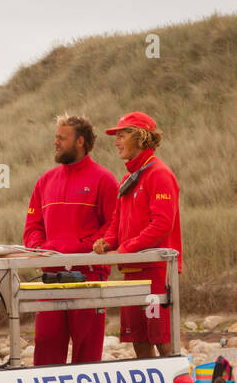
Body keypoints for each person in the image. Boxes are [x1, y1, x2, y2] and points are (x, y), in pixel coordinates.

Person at [23, 113, 119, 364]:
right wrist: (40, 248)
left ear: (81, 142)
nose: (55, 143)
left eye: (62, 139)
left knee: (86, 354)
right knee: (45, 349)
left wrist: (84, 247)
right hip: (51, 278)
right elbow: (32, 226)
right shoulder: (45, 181)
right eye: (56, 138)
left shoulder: (104, 179)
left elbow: (114, 224)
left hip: (88, 277)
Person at [92, 112, 183, 358]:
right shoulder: (130, 177)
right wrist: (108, 242)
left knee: (164, 342)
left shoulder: (159, 173)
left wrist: (126, 248)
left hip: (155, 272)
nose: (116, 141)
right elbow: (116, 221)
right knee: (139, 342)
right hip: (131, 271)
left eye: (122, 135)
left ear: (141, 137)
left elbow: (163, 223)